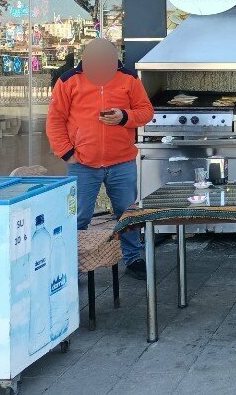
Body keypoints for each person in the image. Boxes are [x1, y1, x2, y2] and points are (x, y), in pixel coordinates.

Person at [45, 39, 155, 279]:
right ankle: (70, 264)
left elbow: (146, 111)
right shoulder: (68, 81)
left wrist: (124, 117)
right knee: (78, 217)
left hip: (122, 161)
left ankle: (133, 258)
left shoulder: (129, 79)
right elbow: (55, 120)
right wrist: (66, 153)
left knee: (127, 213)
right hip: (83, 164)